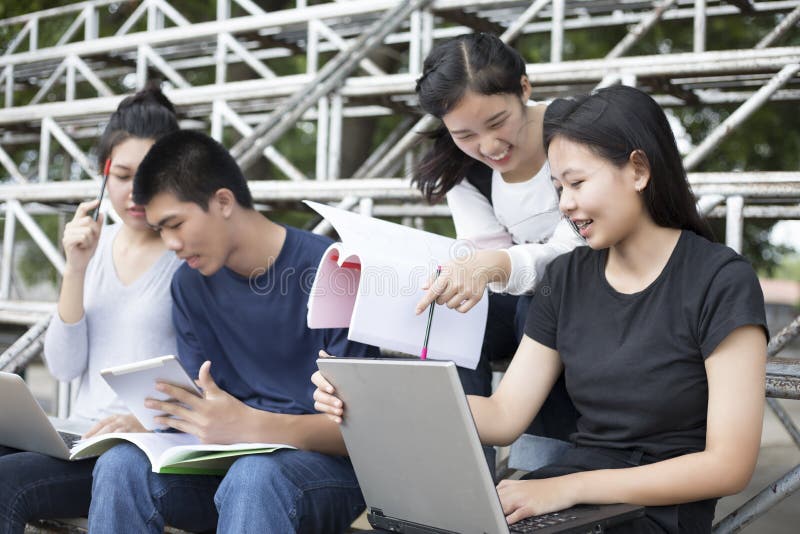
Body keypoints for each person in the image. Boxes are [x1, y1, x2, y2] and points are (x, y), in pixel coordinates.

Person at [313, 85, 768, 533]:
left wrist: (567, 489)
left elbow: (728, 466)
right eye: (558, 188)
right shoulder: (567, 277)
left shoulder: (721, 280)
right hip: (570, 496)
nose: (565, 204)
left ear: (638, 170)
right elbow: (504, 415)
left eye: (577, 183)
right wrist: (374, 399)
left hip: (655, 509)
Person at [87, 130, 379, 534]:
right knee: (120, 464)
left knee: (254, 476)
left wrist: (251, 425)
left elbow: (361, 433)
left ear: (223, 201)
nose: (170, 243)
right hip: (229, 462)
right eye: (160, 230)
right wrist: (162, 419)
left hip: (324, 469)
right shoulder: (188, 285)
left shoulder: (332, 270)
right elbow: (208, 403)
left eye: (175, 224)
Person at [0, 86, 182, 533]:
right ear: (104, 174)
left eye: (149, 174)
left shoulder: (188, 255)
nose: (135, 191)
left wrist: (144, 421)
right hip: (78, 438)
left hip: (138, 450)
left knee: (5, 483)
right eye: (122, 175)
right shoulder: (94, 247)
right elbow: (63, 367)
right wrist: (76, 267)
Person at [412, 33, 584, 469]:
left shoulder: (577, 130)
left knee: (539, 304)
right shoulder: (462, 169)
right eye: (465, 134)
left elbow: (576, 248)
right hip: (530, 291)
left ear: (524, 88)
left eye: (497, 122)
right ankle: (463, 465)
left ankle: (544, 460)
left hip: (601, 285)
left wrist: (498, 266)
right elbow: (484, 255)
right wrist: (470, 275)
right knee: (450, 308)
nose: (488, 147)